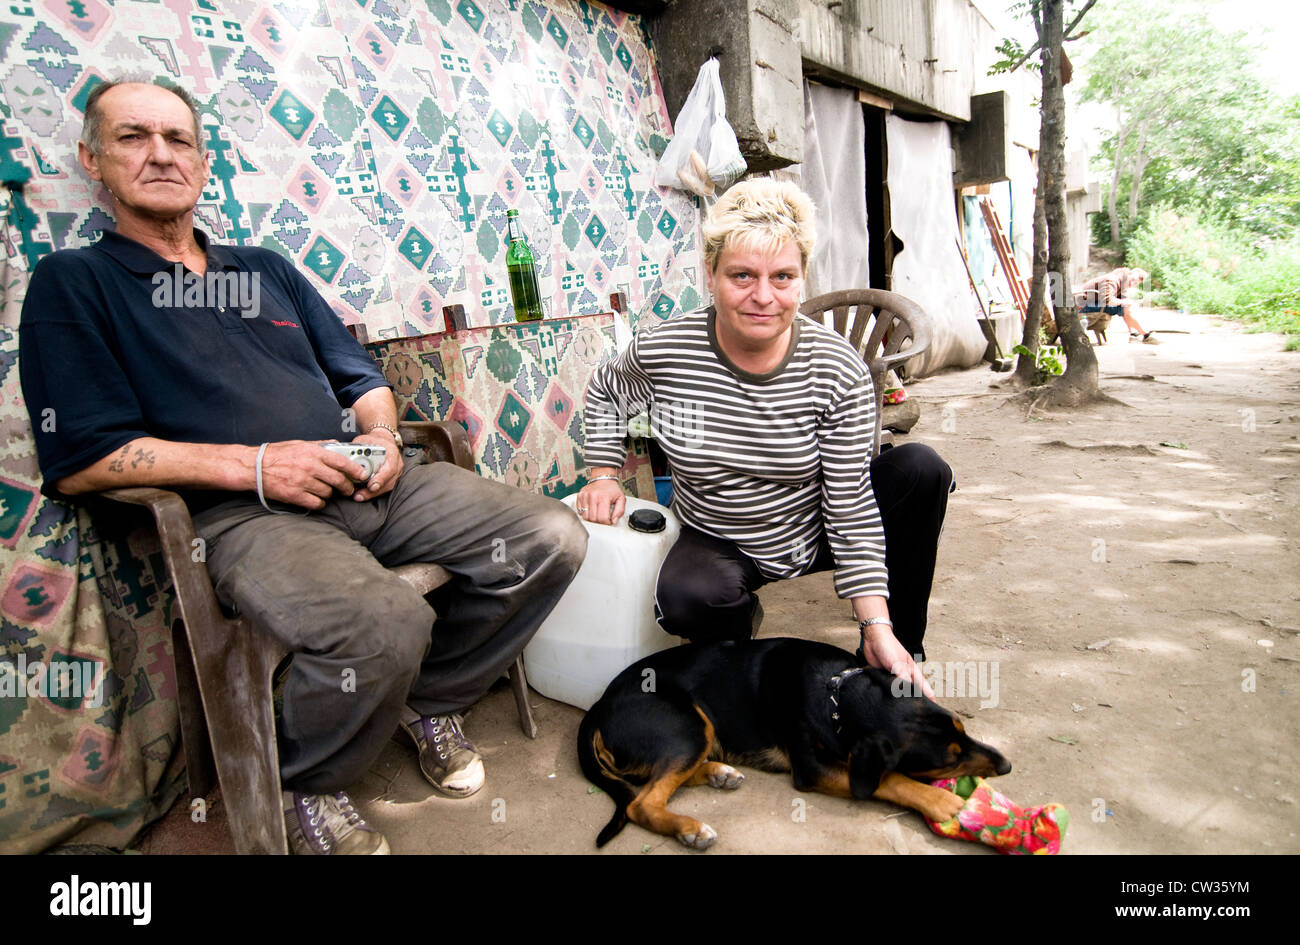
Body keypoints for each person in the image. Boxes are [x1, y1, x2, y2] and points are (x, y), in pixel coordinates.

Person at [18, 79, 587, 855]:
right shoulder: (76, 283)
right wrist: (256, 466)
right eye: (132, 137)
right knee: (384, 621)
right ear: (93, 159)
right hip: (246, 517)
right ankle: (304, 779)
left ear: (204, 161)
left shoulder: (265, 268)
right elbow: (85, 455)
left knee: (551, 535)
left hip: (366, 481)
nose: (160, 153)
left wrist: (383, 440)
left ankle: (430, 698)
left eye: (178, 138)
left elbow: (362, 379)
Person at [578, 178, 952, 697]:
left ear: (802, 280)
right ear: (710, 275)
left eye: (782, 277)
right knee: (690, 598)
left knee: (921, 469)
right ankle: (738, 646)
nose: (763, 297)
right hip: (722, 534)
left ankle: (898, 657)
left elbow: (849, 503)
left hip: (814, 522)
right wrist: (602, 471)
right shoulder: (667, 351)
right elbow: (605, 389)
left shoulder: (835, 368)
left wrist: (875, 626)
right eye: (741, 275)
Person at [1080, 266, 1155, 342]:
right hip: (1085, 306)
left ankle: (1134, 334)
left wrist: (1126, 302)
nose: (1132, 283)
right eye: (1133, 280)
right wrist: (1125, 302)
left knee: (1126, 306)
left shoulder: (1123, 281)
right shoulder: (1113, 279)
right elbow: (1107, 300)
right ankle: (1144, 334)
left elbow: (1124, 300)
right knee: (1124, 306)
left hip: (1094, 303)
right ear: (1129, 274)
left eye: (1135, 283)